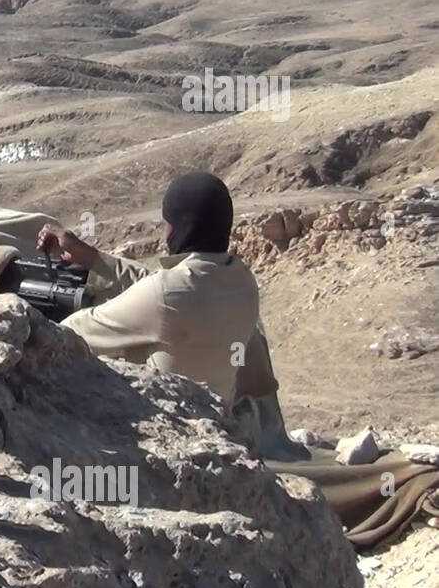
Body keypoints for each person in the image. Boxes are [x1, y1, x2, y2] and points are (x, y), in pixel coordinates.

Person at [35, 172, 305, 458]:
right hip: (220, 429)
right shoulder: (242, 281)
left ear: (180, 226)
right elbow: (161, 285)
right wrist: (90, 257)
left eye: (167, 222)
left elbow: (79, 330)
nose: (164, 231)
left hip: (169, 436)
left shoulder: (167, 294)